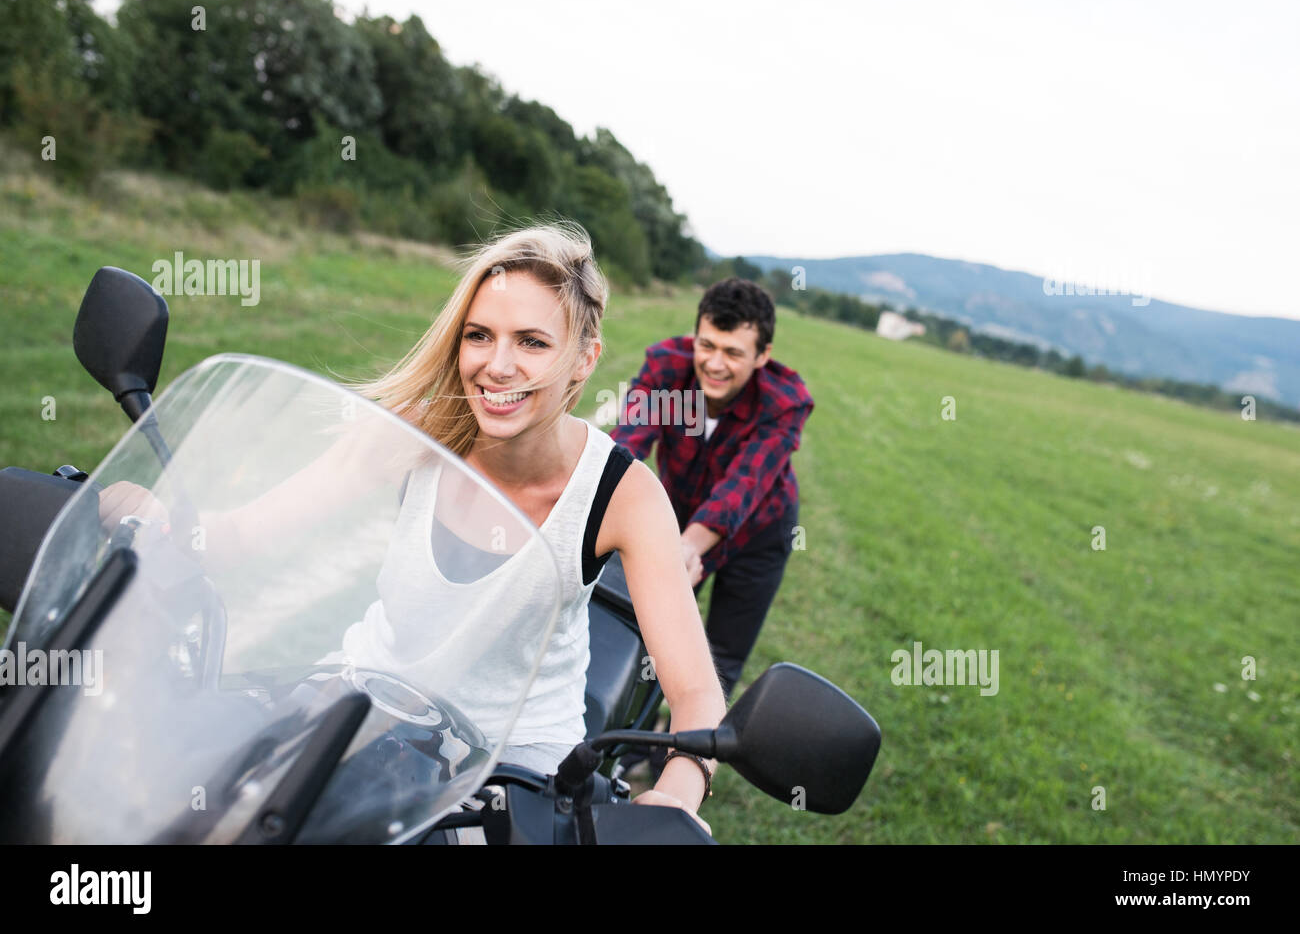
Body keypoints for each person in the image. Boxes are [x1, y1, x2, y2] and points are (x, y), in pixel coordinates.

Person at [99, 223, 726, 830]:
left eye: (532, 343)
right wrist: (159, 520)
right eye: (479, 335)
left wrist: (676, 792)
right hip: (363, 700)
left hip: (514, 766)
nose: (497, 365)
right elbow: (237, 536)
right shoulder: (419, 431)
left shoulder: (623, 493)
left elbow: (696, 694)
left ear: (584, 360)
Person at [611, 278, 813, 703]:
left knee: (719, 658)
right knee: (647, 636)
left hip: (759, 532)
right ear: (695, 336)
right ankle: (625, 751)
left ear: (762, 356)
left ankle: (681, 753)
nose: (715, 364)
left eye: (733, 352)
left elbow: (742, 487)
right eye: (707, 346)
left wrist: (685, 550)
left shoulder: (785, 403)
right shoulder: (666, 367)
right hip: (678, 508)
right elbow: (628, 441)